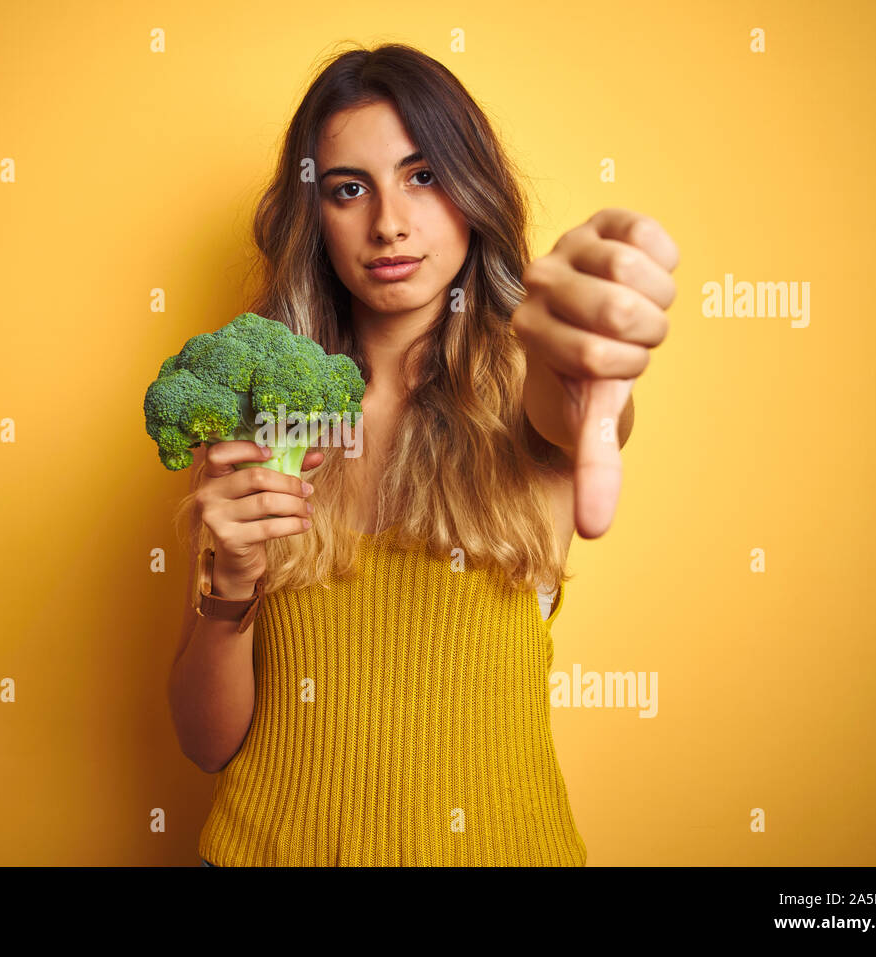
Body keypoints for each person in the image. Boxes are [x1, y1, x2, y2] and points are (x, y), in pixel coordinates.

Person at [166, 42, 677, 866]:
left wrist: (584, 350)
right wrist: (226, 594)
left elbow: (573, 409)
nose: (390, 223)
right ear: (315, 215)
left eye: (424, 175)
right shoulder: (264, 416)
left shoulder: (527, 390)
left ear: (473, 194)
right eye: (349, 189)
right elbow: (206, 745)